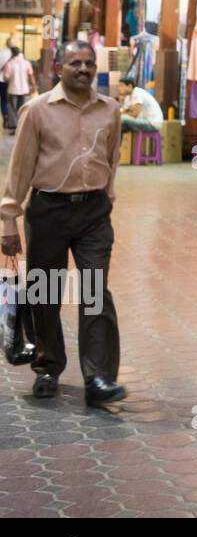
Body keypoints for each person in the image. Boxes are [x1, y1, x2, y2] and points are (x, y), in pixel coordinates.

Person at [0, 41, 126, 406]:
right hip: (48, 211)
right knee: (45, 294)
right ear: (59, 67)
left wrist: (108, 196)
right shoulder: (37, 110)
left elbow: (111, 157)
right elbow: (20, 167)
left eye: (89, 63)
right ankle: (48, 366)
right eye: (75, 63)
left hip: (93, 213)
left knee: (94, 292)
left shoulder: (111, 110)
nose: (83, 69)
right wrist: (9, 219)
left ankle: (98, 378)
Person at [2, 45, 35, 134]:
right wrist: (34, 86)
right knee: (23, 108)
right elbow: (31, 75)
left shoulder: (9, 64)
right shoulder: (26, 62)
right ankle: (22, 127)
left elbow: (6, 78)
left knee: (12, 108)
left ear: (12, 53)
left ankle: (15, 127)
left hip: (13, 89)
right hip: (24, 90)